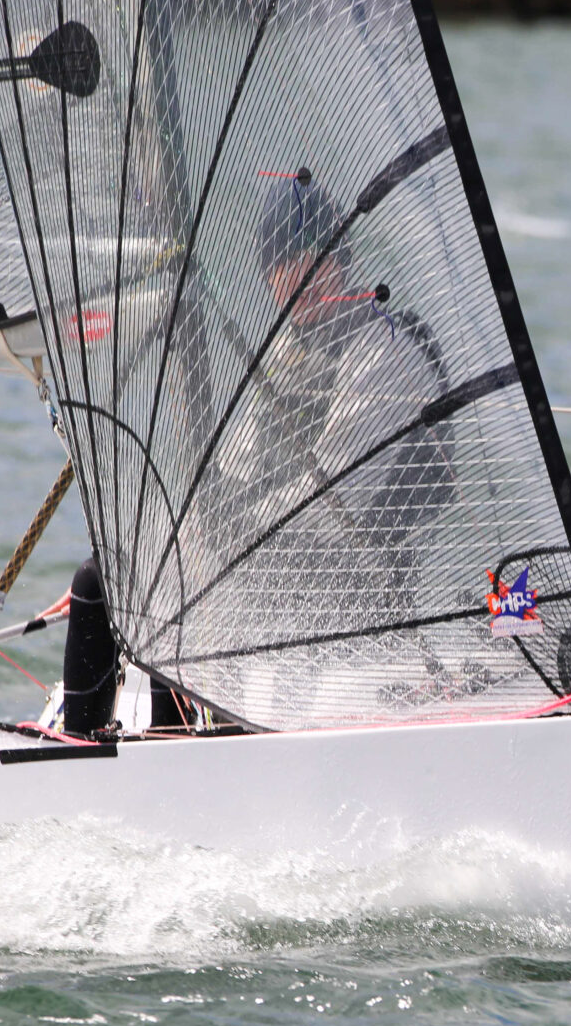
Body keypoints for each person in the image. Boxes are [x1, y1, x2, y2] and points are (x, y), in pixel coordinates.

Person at [59, 171, 457, 734]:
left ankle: (205, 744)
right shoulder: (288, 353)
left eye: (314, 256)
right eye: (280, 263)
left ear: (342, 261)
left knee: (188, 585)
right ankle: (106, 749)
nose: (298, 275)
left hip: (359, 586)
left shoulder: (383, 344)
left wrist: (235, 529)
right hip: (278, 565)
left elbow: (334, 497)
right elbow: (236, 469)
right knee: (109, 576)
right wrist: (192, 529)